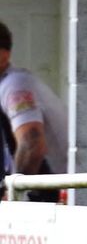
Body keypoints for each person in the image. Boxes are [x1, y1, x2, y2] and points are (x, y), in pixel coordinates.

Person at [0, 21, 68, 199]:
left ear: (3, 56)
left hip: (57, 196)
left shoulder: (14, 85)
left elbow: (32, 145)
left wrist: (14, 197)